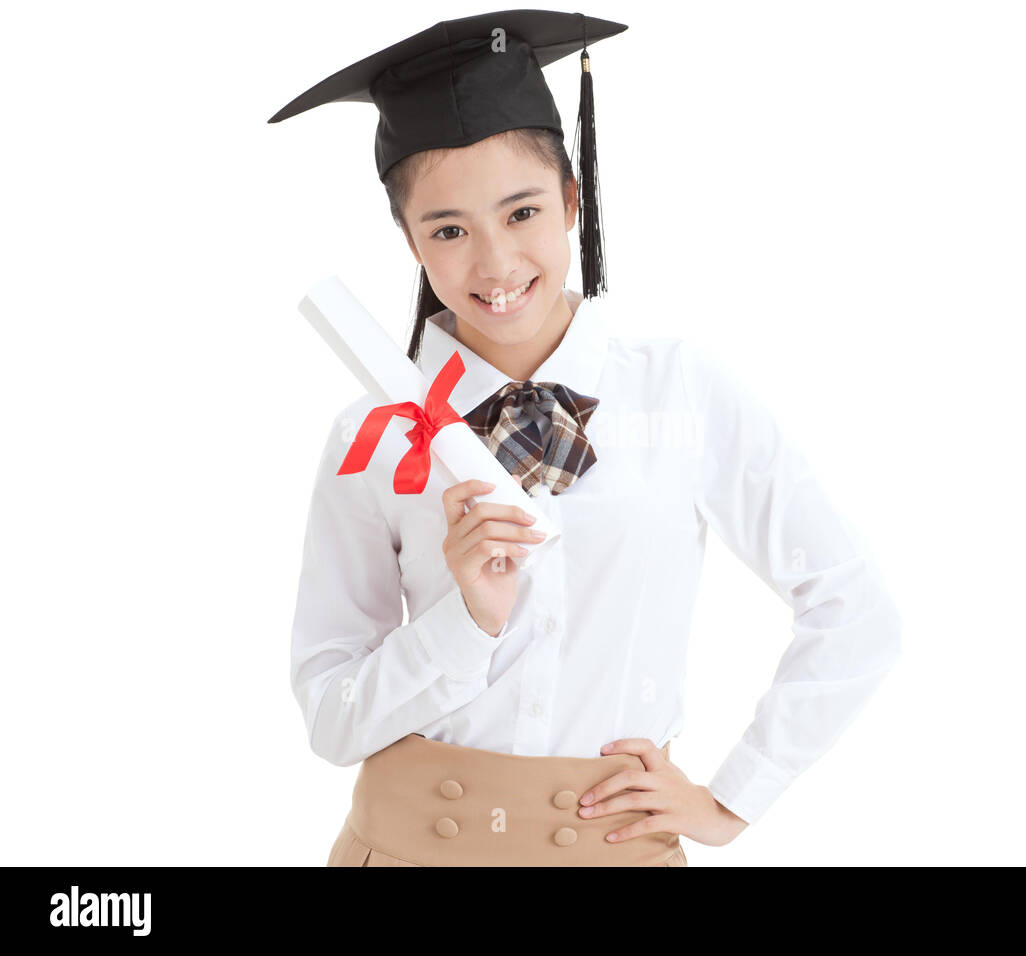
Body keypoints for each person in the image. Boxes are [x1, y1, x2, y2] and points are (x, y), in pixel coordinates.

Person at [273, 9, 902, 867]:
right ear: (410, 240)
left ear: (573, 200)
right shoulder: (374, 435)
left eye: (522, 211)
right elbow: (332, 715)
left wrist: (731, 799)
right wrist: (470, 622)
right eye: (448, 230)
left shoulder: (681, 390)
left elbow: (855, 610)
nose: (494, 264)